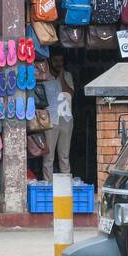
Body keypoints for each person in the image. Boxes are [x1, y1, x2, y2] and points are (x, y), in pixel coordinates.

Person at [42, 49, 74, 182]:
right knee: (48, 157)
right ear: (50, 61)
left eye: (61, 61)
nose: (58, 64)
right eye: (55, 61)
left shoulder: (67, 75)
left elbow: (70, 94)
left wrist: (60, 77)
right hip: (50, 120)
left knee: (64, 156)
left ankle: (65, 187)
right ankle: (48, 186)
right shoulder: (44, 77)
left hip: (66, 119)